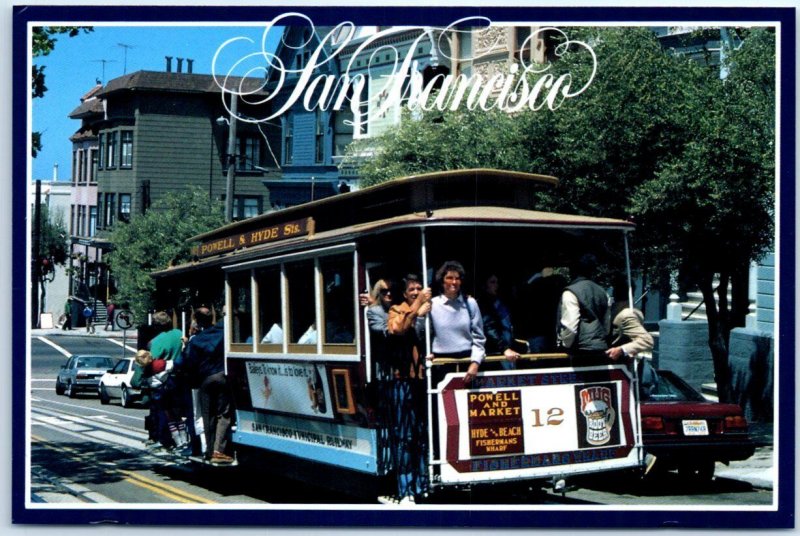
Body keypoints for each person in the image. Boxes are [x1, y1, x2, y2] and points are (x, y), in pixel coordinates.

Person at [380, 275, 431, 504]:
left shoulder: (426, 308)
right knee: (404, 436)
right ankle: (405, 489)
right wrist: (417, 305)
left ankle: (421, 485)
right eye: (412, 289)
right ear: (405, 293)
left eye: (419, 288)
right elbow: (398, 329)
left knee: (420, 435)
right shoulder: (396, 310)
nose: (417, 291)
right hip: (402, 380)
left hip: (421, 379)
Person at [177, 307, 235, 465]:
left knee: (207, 416)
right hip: (222, 376)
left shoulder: (196, 340)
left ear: (197, 321)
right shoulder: (224, 333)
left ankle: (209, 451)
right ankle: (219, 450)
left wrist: (187, 344)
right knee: (224, 414)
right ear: (212, 318)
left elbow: (183, 362)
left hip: (205, 380)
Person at [429, 261, 486, 384]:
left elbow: (479, 337)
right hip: (441, 363)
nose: (454, 282)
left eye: (457, 278)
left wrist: (475, 363)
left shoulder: (470, 303)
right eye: (449, 278)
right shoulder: (432, 304)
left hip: (466, 362)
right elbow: (422, 333)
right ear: (442, 281)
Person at [606, 276, 659, 399]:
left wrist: (621, 350)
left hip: (622, 368)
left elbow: (647, 340)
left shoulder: (627, 314)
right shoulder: (616, 309)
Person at [148, 311, 189, 451]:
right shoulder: (179, 333)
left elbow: (152, 361)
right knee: (178, 411)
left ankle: (168, 440)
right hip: (179, 377)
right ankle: (183, 440)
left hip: (163, 379)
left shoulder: (157, 341)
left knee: (165, 412)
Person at [557, 254, 610, 361]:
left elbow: (570, 325)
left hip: (580, 349)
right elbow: (607, 322)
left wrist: (565, 345)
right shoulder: (602, 291)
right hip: (600, 347)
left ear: (573, 271)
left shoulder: (570, 292)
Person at [478, 273, 520, 370]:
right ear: (485, 285)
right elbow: (489, 328)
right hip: (496, 351)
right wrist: (504, 348)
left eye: (497, 282)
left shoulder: (500, 302)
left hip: (507, 348)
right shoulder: (483, 304)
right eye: (492, 282)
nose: (496, 285)